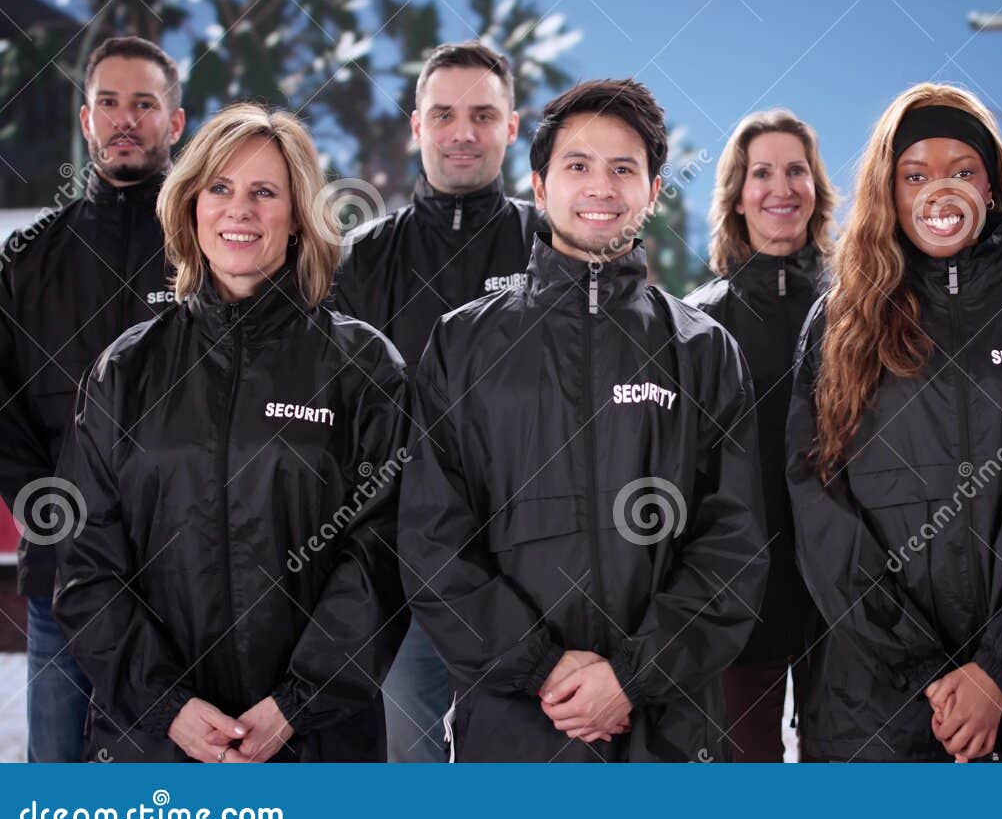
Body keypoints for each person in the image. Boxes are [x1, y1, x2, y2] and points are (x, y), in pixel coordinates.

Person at [399, 78, 767, 762]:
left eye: (624, 169)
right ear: (538, 187)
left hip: (667, 733)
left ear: (654, 191)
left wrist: (631, 676)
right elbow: (433, 541)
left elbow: (733, 545)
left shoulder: (701, 349)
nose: (601, 186)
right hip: (513, 732)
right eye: (578, 166)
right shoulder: (463, 345)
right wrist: (541, 668)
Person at [786, 83, 1002, 763]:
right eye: (915, 174)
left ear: (995, 186)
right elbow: (820, 520)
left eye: (962, 172)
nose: (939, 191)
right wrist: (932, 676)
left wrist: (997, 671)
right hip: (880, 709)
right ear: (889, 190)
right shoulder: (837, 327)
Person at [52, 103, 410, 762]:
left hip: (315, 748)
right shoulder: (126, 369)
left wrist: (294, 708)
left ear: (298, 216)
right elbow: (85, 565)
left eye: (264, 192)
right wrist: (171, 710)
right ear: (191, 205)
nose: (238, 210)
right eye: (220, 188)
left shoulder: (363, 368)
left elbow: (382, 555)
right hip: (153, 748)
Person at [334, 40, 538, 763]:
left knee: (513, 777)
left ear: (512, 128)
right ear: (415, 126)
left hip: (526, 578)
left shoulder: (549, 250)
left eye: (483, 115)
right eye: (444, 114)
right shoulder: (360, 260)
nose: (463, 132)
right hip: (399, 579)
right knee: (410, 769)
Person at [0, 36, 184, 763]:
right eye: (109, 102)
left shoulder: (213, 247)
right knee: (61, 792)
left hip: (187, 589)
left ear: (174, 123)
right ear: (86, 120)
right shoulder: (28, 261)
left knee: (183, 802)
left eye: (144, 103)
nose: (125, 119)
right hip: (64, 585)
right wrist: (56, 517)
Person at [684, 109, 834, 761]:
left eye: (796, 170)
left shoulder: (860, 310)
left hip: (845, 602)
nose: (782, 187)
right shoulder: (698, 325)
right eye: (761, 172)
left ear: (817, 188)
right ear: (737, 196)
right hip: (738, 605)